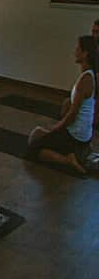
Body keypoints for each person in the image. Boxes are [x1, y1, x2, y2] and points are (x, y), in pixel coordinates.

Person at [26, 36, 96, 175]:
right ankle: (74, 153)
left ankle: (68, 160)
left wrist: (56, 128)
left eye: (78, 49)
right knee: (37, 134)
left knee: (33, 149)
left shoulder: (86, 79)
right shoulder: (87, 76)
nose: (74, 52)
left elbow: (73, 115)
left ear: (85, 53)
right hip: (80, 135)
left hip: (75, 136)